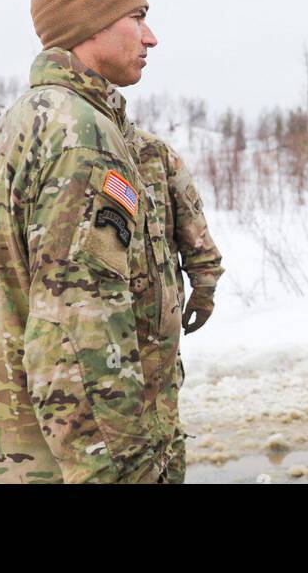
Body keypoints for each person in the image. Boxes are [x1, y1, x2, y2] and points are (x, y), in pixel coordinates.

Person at [0, 0, 176, 483]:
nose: (151, 38)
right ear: (89, 23)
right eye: (137, 17)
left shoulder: (29, 116)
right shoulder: (82, 132)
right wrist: (115, 465)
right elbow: (78, 321)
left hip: (14, 441)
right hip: (64, 457)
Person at [127, 124, 225, 484]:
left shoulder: (154, 153)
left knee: (161, 433)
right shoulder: (63, 140)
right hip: (84, 330)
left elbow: (193, 226)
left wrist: (204, 286)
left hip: (153, 332)